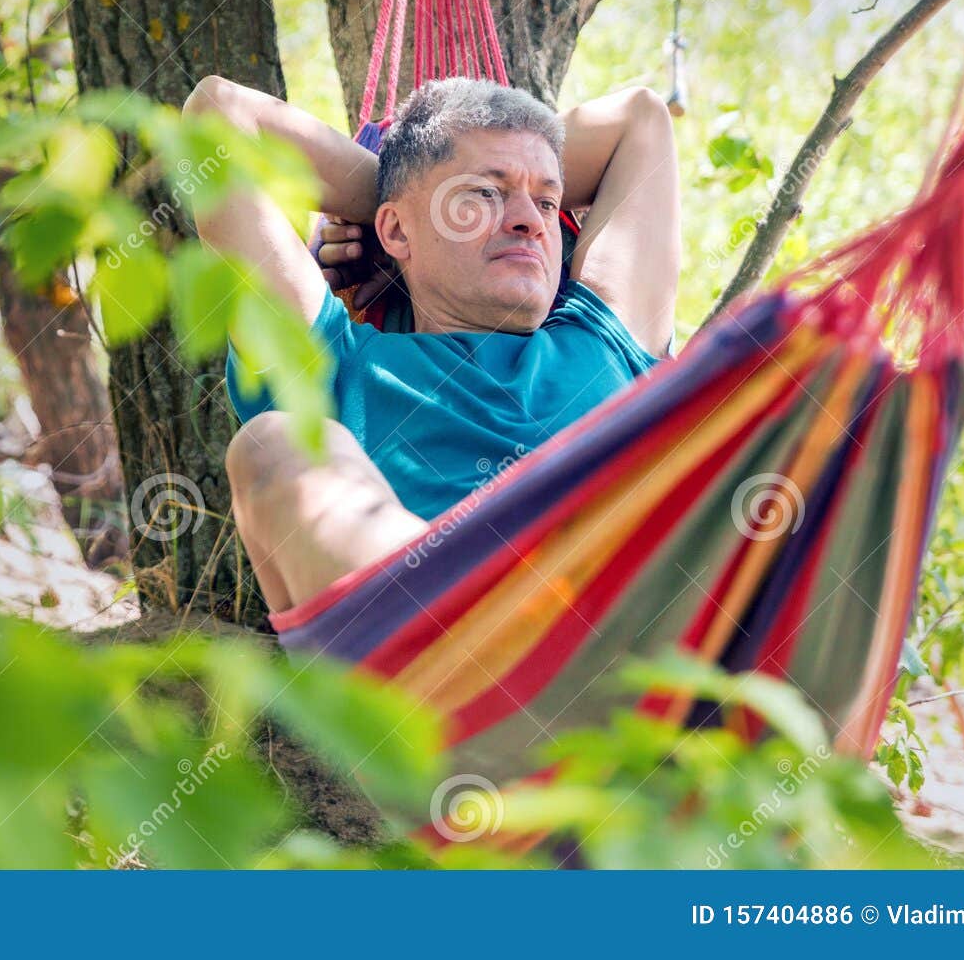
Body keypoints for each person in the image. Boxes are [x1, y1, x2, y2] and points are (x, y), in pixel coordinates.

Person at [185, 75, 680, 615]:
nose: (530, 223)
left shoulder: (605, 341)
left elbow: (641, 119)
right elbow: (219, 113)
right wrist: (407, 196)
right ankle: (456, 617)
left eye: (547, 202)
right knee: (273, 444)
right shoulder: (333, 365)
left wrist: (421, 200)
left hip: (610, 635)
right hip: (425, 650)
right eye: (483, 195)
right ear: (394, 231)